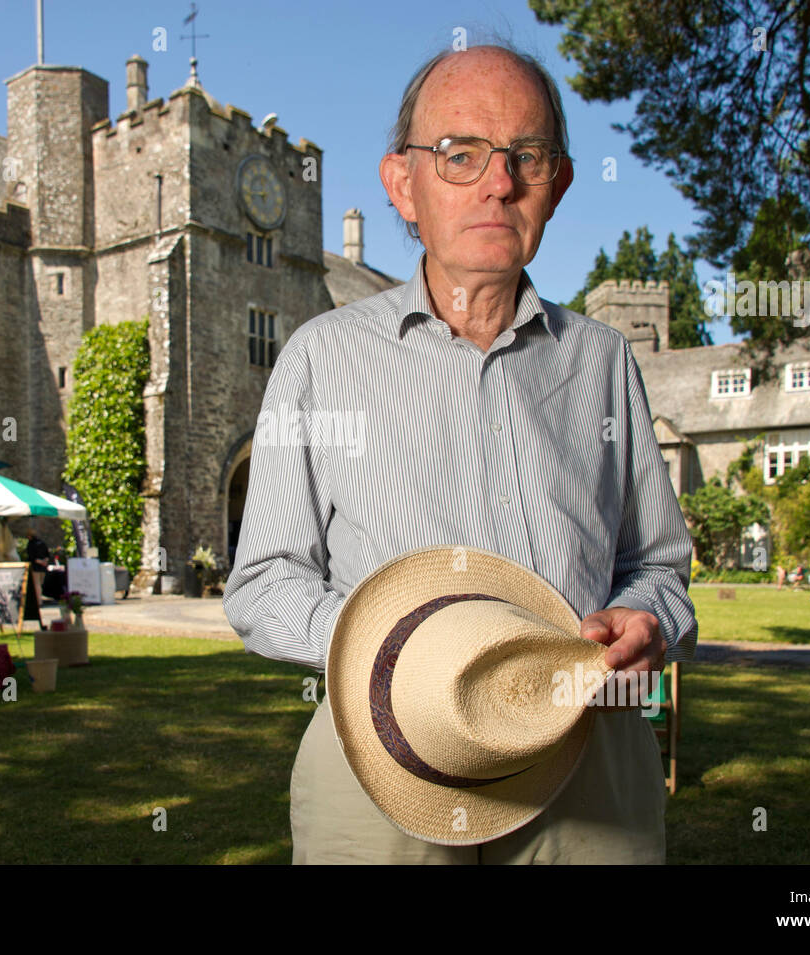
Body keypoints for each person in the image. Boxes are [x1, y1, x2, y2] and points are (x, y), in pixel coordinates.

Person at [223, 44, 696, 865]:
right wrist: (402, 648)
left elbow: (658, 565)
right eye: (459, 153)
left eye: (528, 156)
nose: (498, 181)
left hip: (588, 763)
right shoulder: (319, 358)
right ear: (401, 183)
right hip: (379, 763)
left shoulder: (603, 361)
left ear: (560, 183)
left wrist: (650, 618)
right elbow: (263, 583)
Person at [25, 529, 51, 613]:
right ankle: (40, 599)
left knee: (37, 584)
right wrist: (45, 562)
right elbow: (47, 554)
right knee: (40, 583)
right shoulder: (42, 543)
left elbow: (32, 557)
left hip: (36, 567)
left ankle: (39, 601)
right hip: (43, 567)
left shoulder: (31, 544)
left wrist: (40, 562)